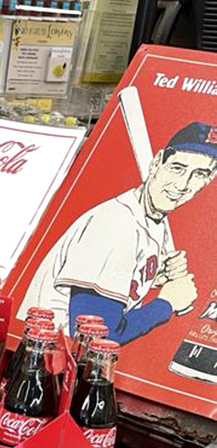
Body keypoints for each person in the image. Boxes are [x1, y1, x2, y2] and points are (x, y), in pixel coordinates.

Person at [19, 122, 217, 344]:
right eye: (177, 168)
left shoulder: (150, 217)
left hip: (67, 357)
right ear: (156, 163)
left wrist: (152, 278)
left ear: (209, 180)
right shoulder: (115, 225)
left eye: (199, 174)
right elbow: (94, 336)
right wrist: (167, 304)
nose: (183, 184)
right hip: (44, 356)